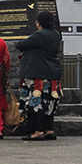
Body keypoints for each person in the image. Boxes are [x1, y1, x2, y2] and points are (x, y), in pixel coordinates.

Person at [14, 10, 63, 142]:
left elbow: (21, 45)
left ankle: (38, 131)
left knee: (36, 104)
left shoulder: (40, 34)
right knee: (49, 103)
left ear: (38, 23)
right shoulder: (56, 34)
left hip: (37, 75)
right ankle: (49, 130)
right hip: (52, 74)